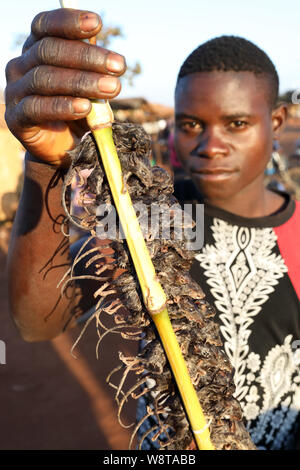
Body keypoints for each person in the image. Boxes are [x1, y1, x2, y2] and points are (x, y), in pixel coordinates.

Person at [5, 9, 300, 450]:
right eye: (191, 124)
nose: (210, 146)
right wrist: (46, 164)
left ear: (275, 122)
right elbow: (38, 323)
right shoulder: (152, 214)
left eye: (236, 123)